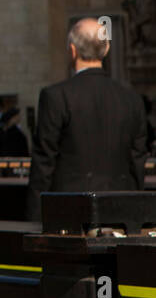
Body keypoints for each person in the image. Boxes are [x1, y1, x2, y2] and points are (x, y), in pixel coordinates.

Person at [26, 17, 147, 221]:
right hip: (119, 211)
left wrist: (35, 217)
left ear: (72, 51)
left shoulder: (55, 96)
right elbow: (137, 161)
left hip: (68, 213)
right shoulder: (132, 100)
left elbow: (44, 163)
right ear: (106, 50)